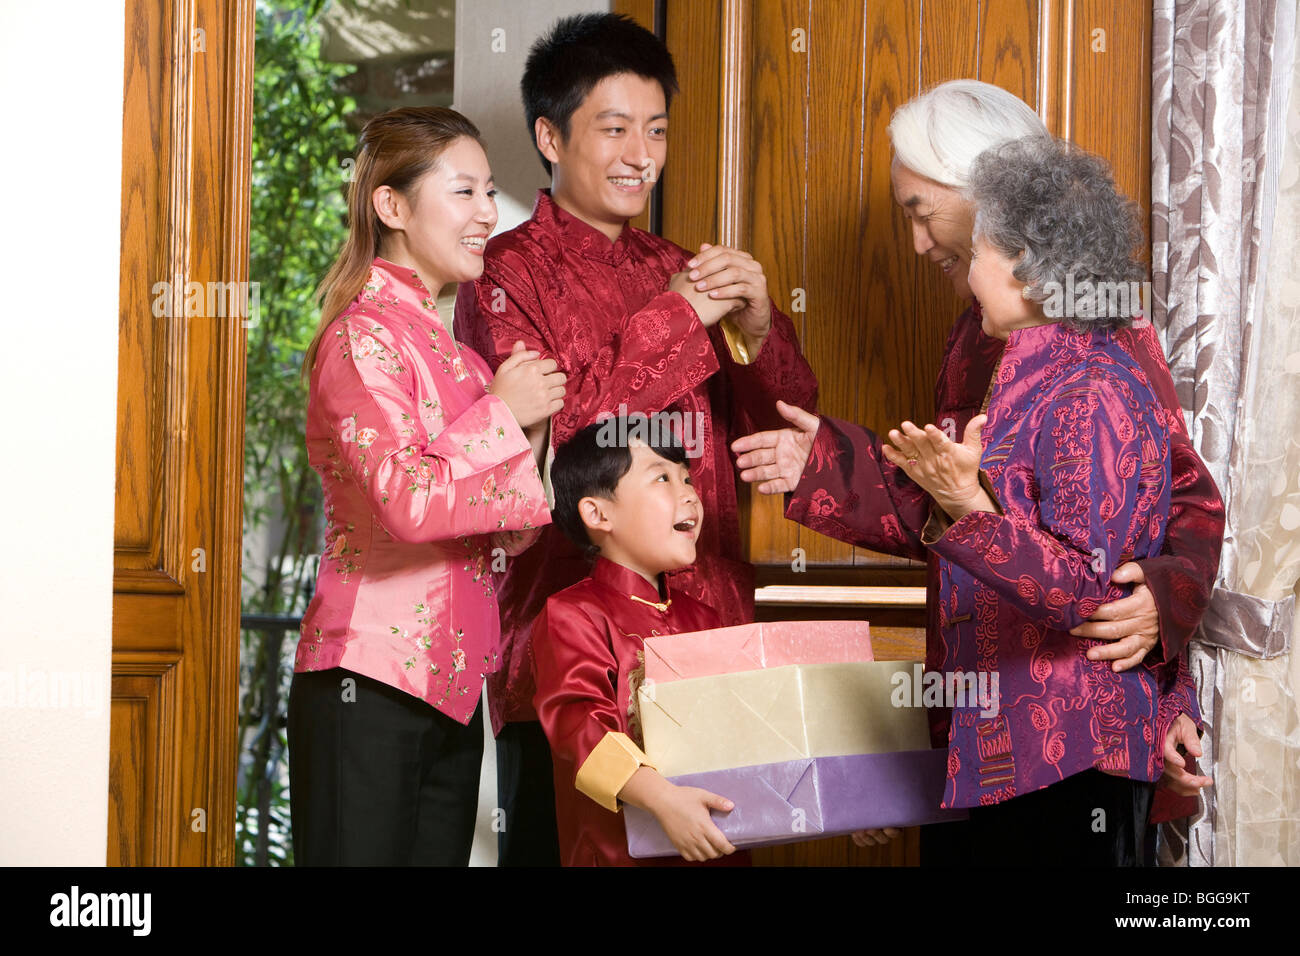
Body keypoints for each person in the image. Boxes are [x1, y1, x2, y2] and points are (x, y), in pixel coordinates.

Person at [733, 80, 1219, 857]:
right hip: (981, 715)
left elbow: (1176, 512)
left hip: (1069, 723)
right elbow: (958, 501)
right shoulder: (975, 335)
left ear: (993, 199)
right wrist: (817, 461)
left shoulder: (1107, 339)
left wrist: (1165, 643)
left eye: (922, 213)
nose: (918, 244)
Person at [454, 13, 818, 865]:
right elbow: (567, 444)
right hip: (571, 651)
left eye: (655, 130)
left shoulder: (682, 265)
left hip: (709, 641)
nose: (640, 155)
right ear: (550, 135)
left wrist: (762, 327)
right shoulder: (505, 275)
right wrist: (683, 314)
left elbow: (782, 427)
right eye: (613, 129)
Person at [288, 107, 566, 866]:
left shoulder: (464, 361)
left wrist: (526, 427)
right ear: (392, 206)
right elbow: (409, 502)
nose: (487, 213)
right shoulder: (359, 336)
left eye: (490, 191)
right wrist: (505, 417)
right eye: (465, 192)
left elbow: (512, 531)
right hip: (365, 683)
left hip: (453, 695)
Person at [532, 417, 749, 867]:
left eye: (687, 477)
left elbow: (748, 735)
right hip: (619, 855)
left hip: (716, 846)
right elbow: (579, 729)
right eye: (662, 478)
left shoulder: (705, 618)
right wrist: (663, 800)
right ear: (598, 514)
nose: (689, 492)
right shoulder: (573, 614)